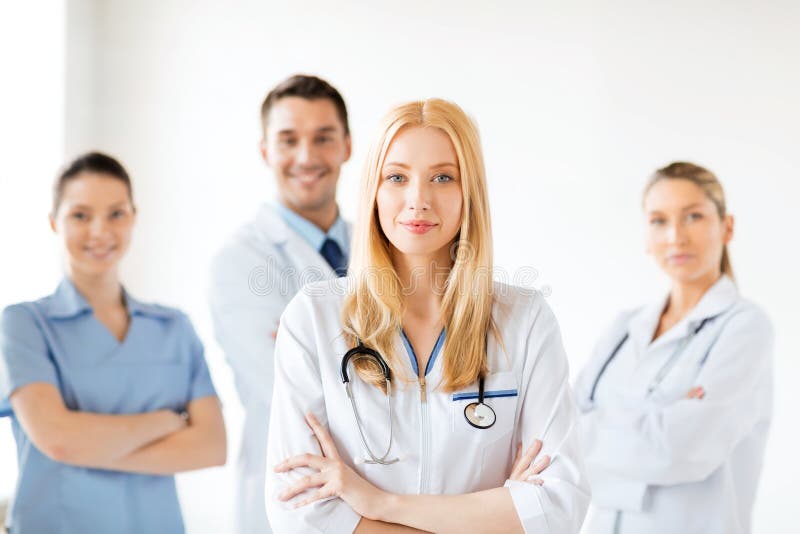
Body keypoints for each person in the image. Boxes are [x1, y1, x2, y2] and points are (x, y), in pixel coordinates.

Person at [265, 99, 590, 533]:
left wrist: (378, 502)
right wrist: (499, 512)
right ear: (374, 191)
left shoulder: (525, 322)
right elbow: (301, 515)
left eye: (442, 177)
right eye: (396, 177)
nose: (417, 200)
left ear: (468, 190)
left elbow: (559, 507)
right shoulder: (314, 318)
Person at [0, 152, 227, 534]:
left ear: (134, 217)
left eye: (116, 213)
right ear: (54, 222)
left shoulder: (174, 328)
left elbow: (211, 446)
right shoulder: (24, 324)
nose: (100, 231)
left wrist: (87, 446)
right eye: (80, 215)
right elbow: (58, 441)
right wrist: (165, 422)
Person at [574, 162, 773, 534]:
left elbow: (683, 450)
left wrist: (591, 432)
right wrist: (655, 428)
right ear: (646, 238)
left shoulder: (745, 327)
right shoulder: (623, 328)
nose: (675, 236)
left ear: (726, 227)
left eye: (693, 216)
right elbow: (557, 440)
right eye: (659, 220)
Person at [209, 74, 352, 533]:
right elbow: (293, 394)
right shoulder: (240, 260)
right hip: (295, 497)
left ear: (347, 146)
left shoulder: (382, 251)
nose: (307, 157)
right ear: (265, 150)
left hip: (383, 496)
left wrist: (324, 350)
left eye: (323, 138)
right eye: (288, 140)